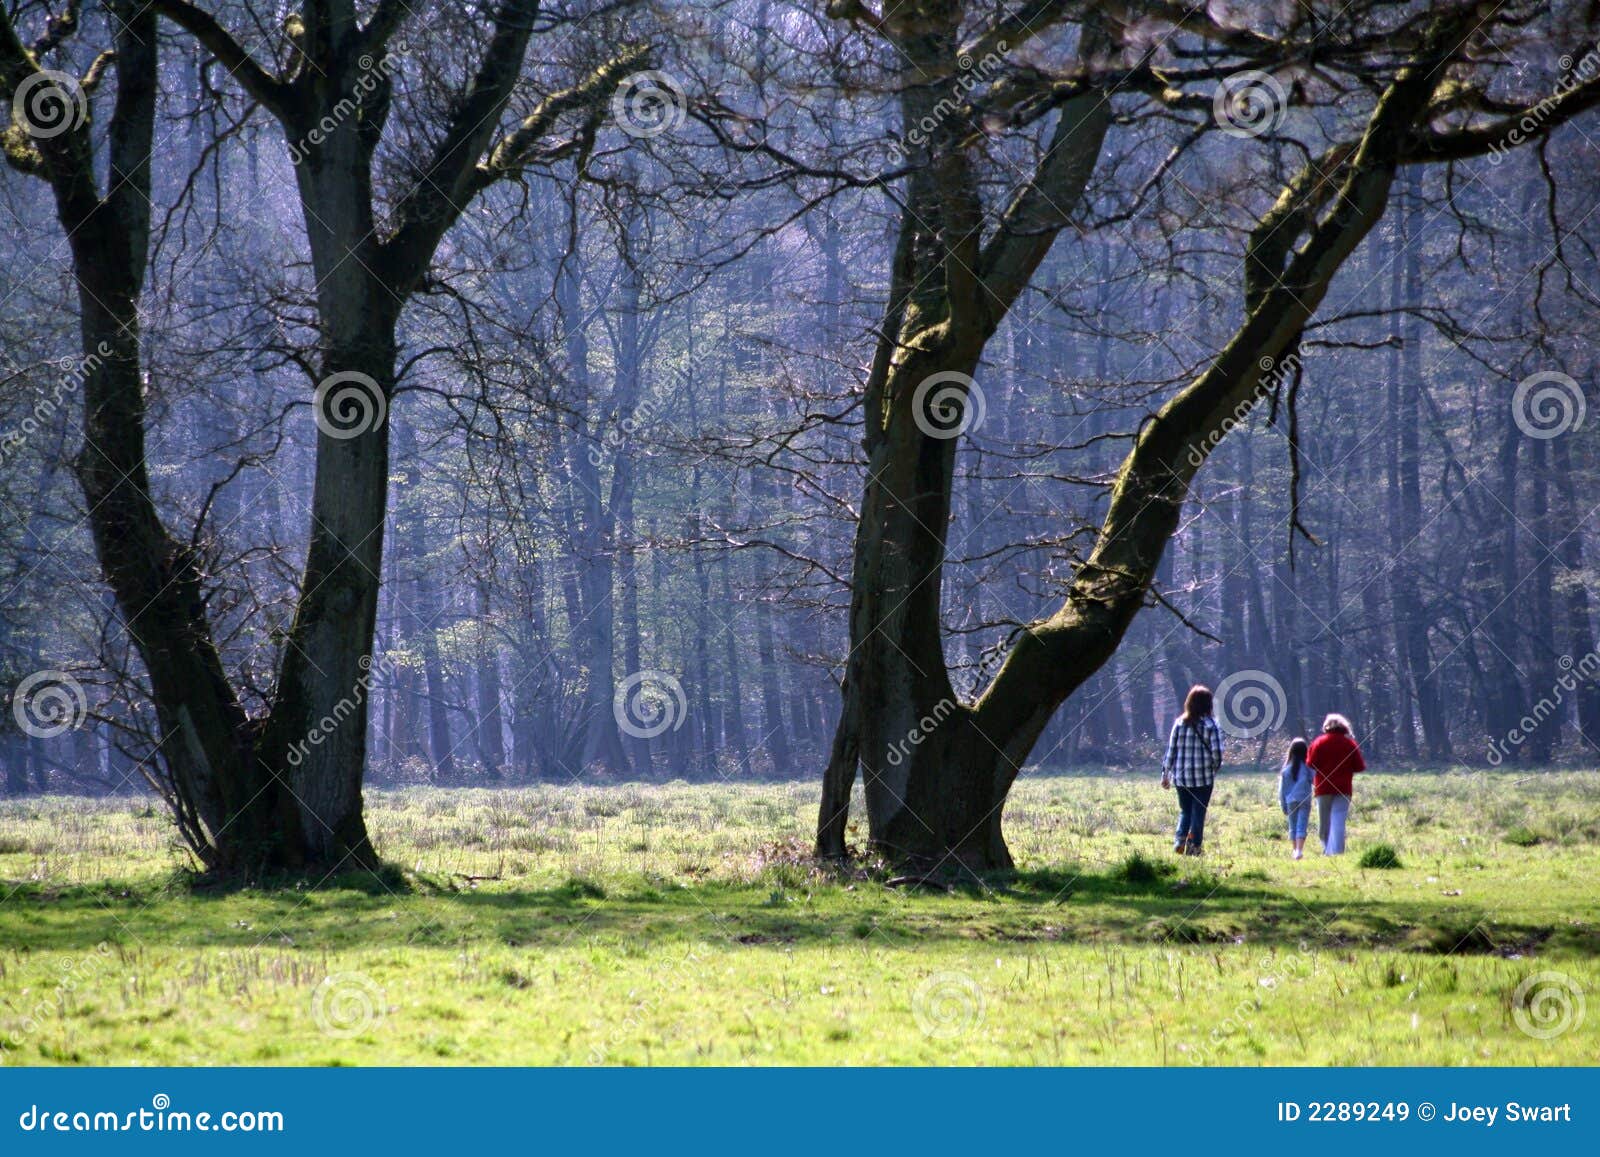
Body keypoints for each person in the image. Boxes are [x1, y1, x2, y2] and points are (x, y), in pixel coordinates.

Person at [1160, 684, 1224, 855]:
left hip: (1181, 778)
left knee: (1185, 810)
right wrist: (1214, 768)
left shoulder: (1179, 723)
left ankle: (1180, 840)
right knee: (1198, 813)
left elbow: (1171, 751)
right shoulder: (1212, 725)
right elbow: (1217, 753)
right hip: (1204, 778)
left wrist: (1165, 775)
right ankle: (1194, 847)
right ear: (1208, 704)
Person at [1308, 713, 1366, 855]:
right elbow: (1359, 766)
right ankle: (1337, 851)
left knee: (1324, 822)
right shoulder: (1350, 744)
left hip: (1323, 788)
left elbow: (1310, 763)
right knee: (1338, 820)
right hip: (1344, 788)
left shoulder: (1319, 742)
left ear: (1326, 726)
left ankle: (1327, 849)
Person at [1278, 737, 1313, 860]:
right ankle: (1299, 850)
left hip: (1290, 801)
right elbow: (1315, 780)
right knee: (1302, 824)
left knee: (1292, 826)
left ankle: (1295, 851)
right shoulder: (1308, 768)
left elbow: (1282, 791)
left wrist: (1283, 805)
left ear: (1291, 751)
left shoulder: (1286, 770)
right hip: (1304, 799)